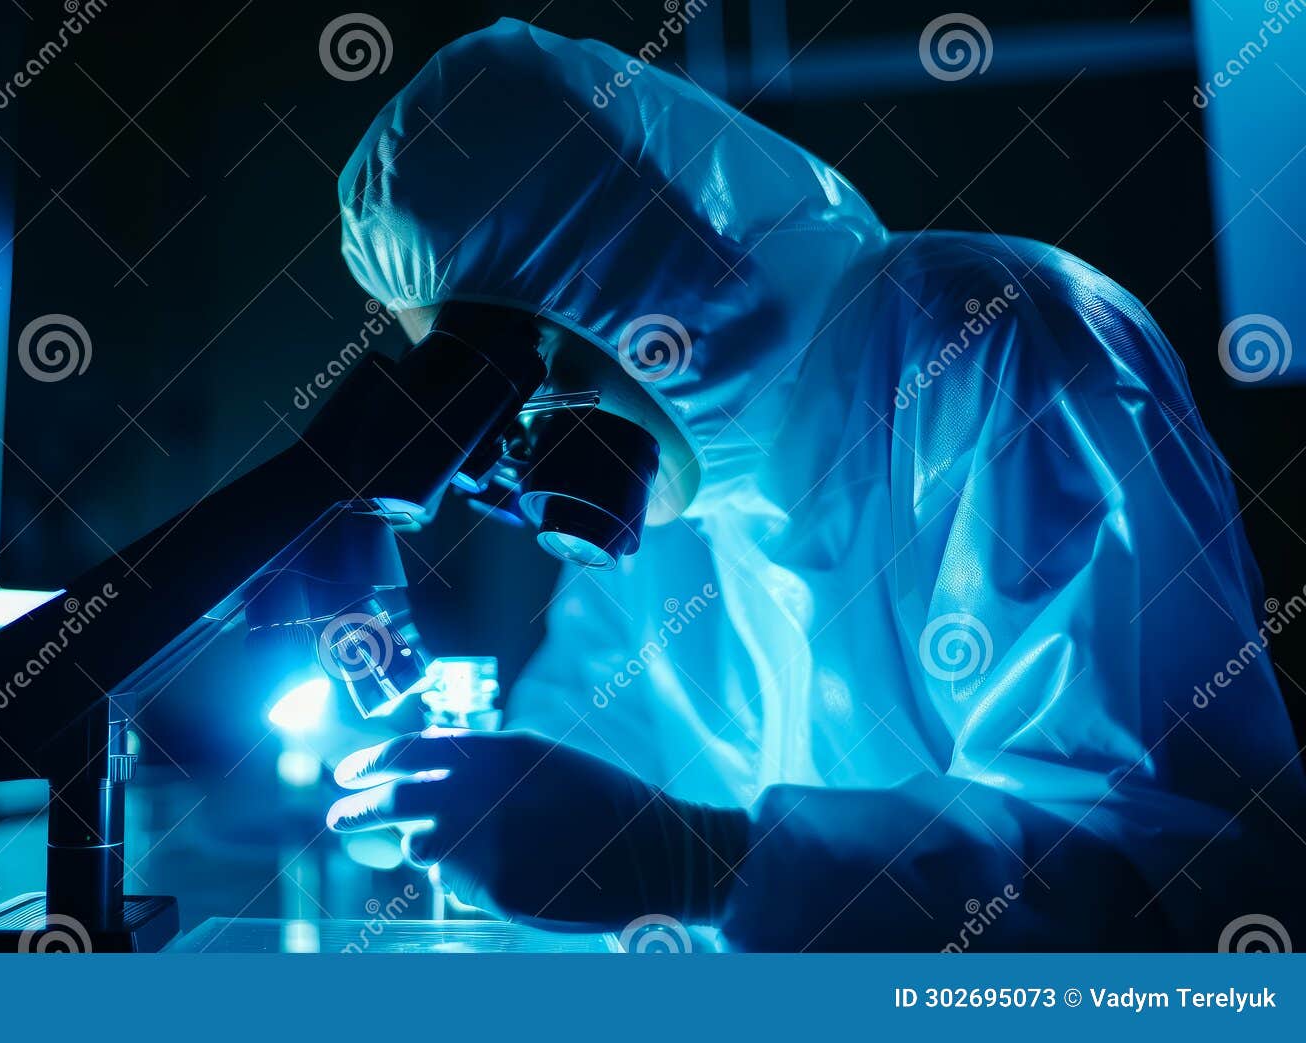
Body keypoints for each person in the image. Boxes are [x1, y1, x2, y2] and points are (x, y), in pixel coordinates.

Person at [325, 18, 1305, 951]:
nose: (509, 451)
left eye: (520, 377)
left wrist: (703, 864)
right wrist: (450, 808)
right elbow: (580, 752)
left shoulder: (992, 341)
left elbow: (1163, 887)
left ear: (629, 285)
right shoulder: (672, 495)